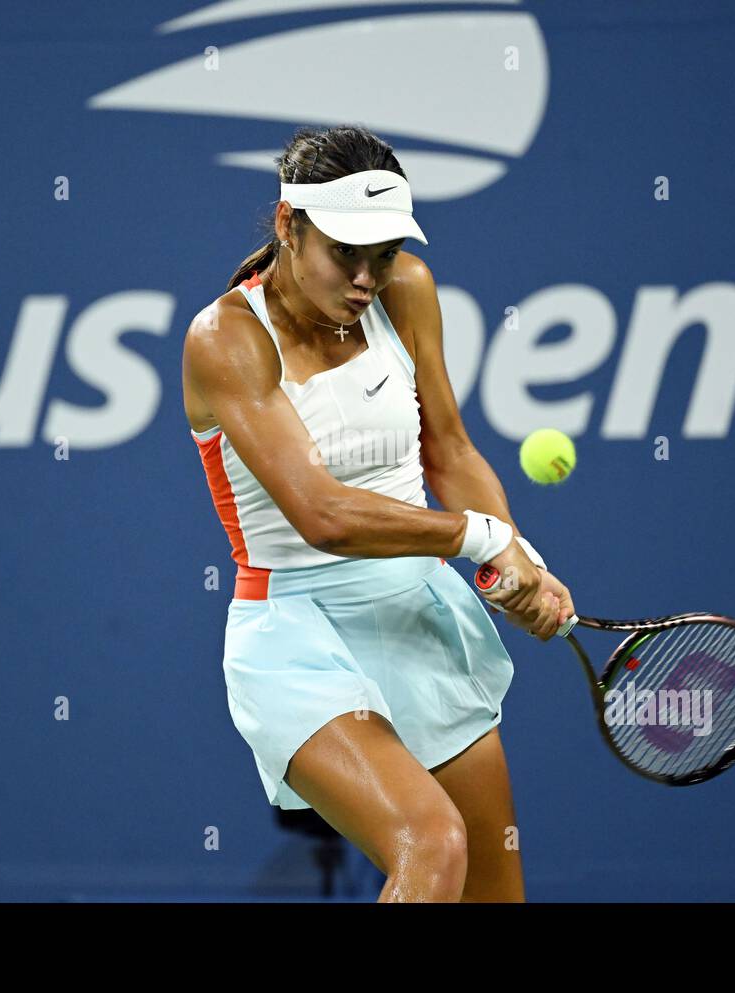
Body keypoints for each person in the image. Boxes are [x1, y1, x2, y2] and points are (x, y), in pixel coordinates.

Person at [182, 125, 574, 902]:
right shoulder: (225, 339)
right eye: (346, 253)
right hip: (295, 633)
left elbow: (450, 451)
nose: (366, 278)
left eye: (384, 253)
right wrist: (478, 536)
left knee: (496, 893)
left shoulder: (409, 291)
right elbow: (320, 513)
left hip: (413, 616)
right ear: (290, 228)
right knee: (431, 844)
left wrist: (516, 557)